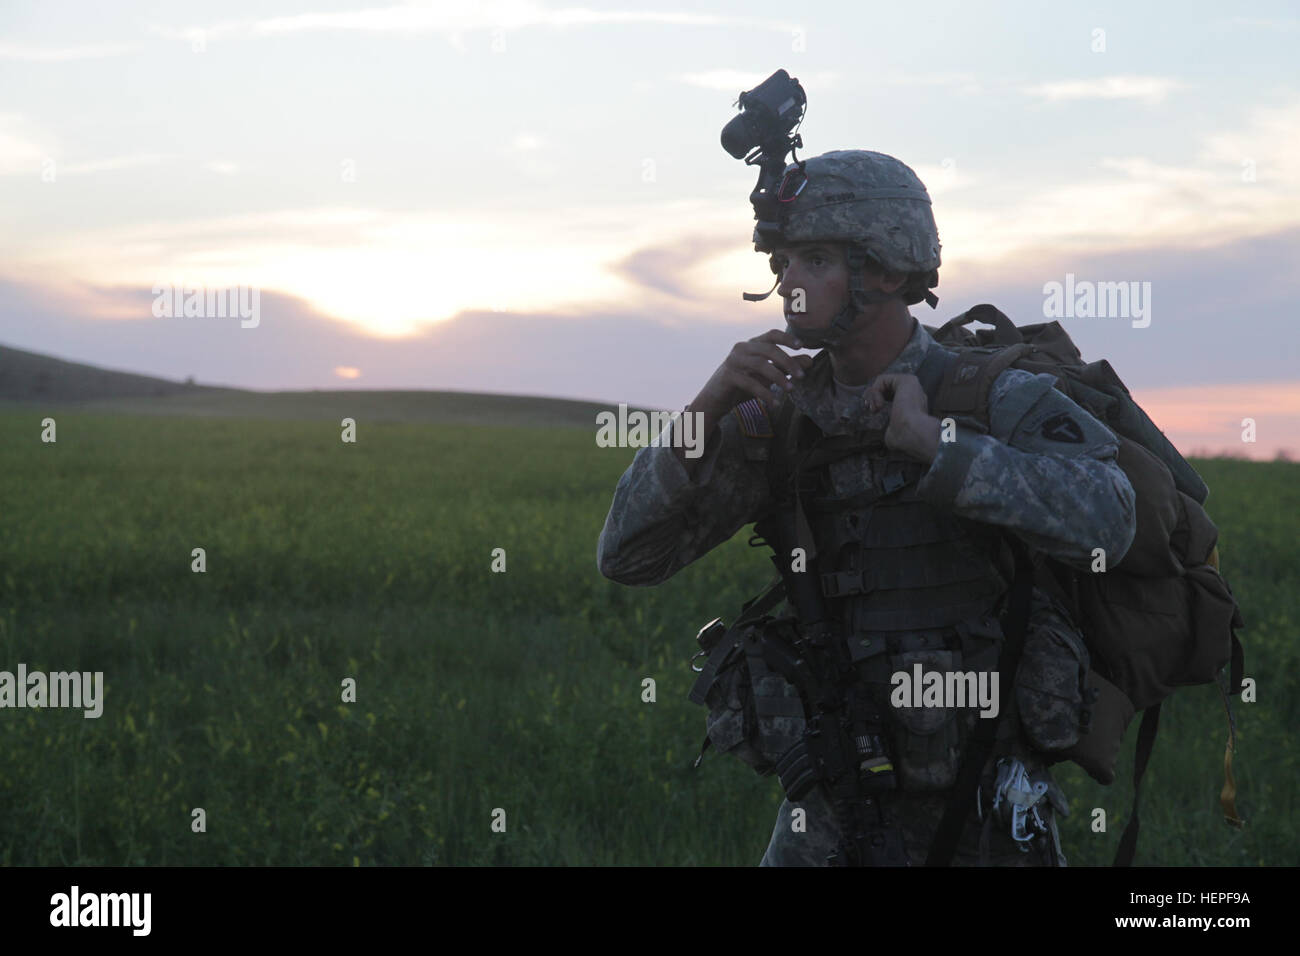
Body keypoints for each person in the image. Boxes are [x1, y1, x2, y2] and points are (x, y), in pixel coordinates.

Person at [596, 150, 1137, 866]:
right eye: (781, 262)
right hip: (834, 796)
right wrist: (704, 412)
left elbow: (1112, 521)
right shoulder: (783, 419)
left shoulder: (986, 394)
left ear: (885, 270)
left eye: (814, 259)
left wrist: (936, 447)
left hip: (991, 794)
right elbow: (629, 557)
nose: (788, 283)